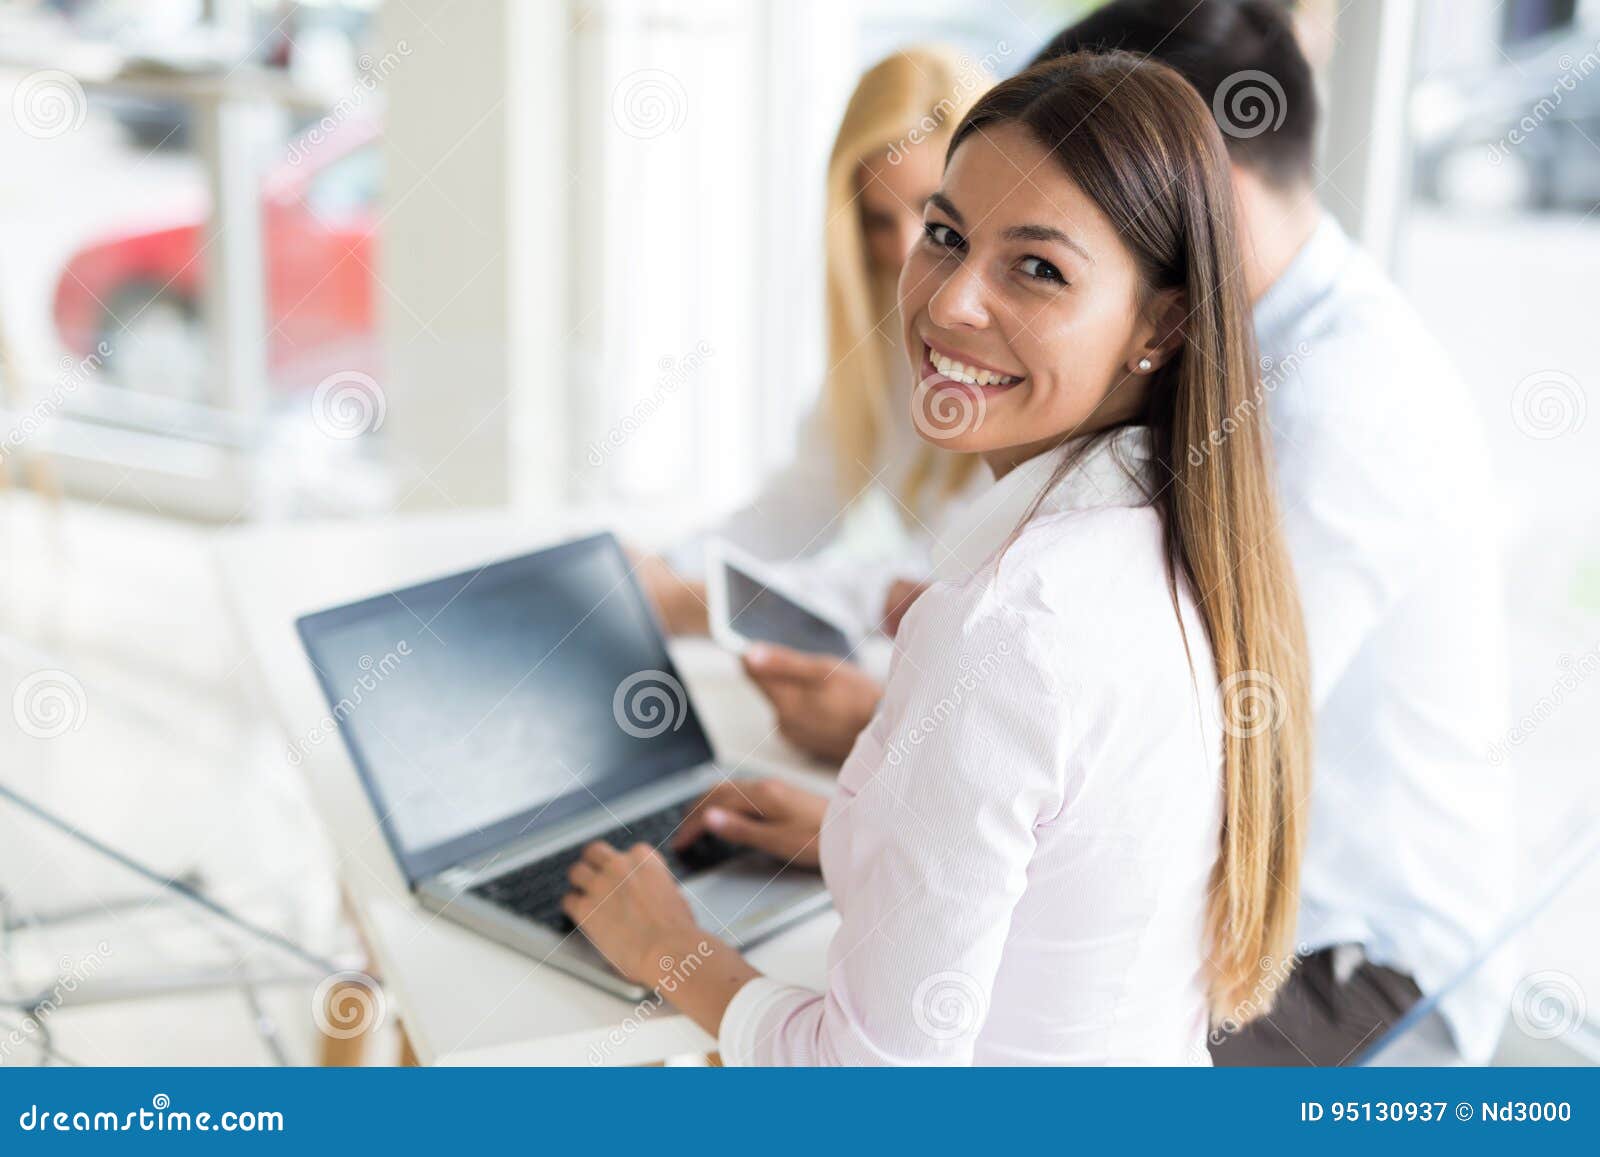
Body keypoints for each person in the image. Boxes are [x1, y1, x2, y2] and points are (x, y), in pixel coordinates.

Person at [562, 51, 1313, 1065]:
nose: (951, 302)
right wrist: (864, 832)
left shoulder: (1007, 628)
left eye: (1037, 267)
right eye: (945, 236)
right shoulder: (1176, 543)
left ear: (1161, 323)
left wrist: (670, 949)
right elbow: (1069, 868)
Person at [1033, 0, 1511, 1065]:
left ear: (1202, 182)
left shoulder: (1338, 399)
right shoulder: (1237, 335)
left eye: (1096, 192)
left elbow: (1195, 748)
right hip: (1236, 906)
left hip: (1356, 973)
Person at [637, 46, 990, 659]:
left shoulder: (1012, 352)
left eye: (934, 219)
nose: (908, 252)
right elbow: (797, 505)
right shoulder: (886, 338)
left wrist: (696, 601)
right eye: (880, 221)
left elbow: (926, 588)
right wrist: (661, 568)